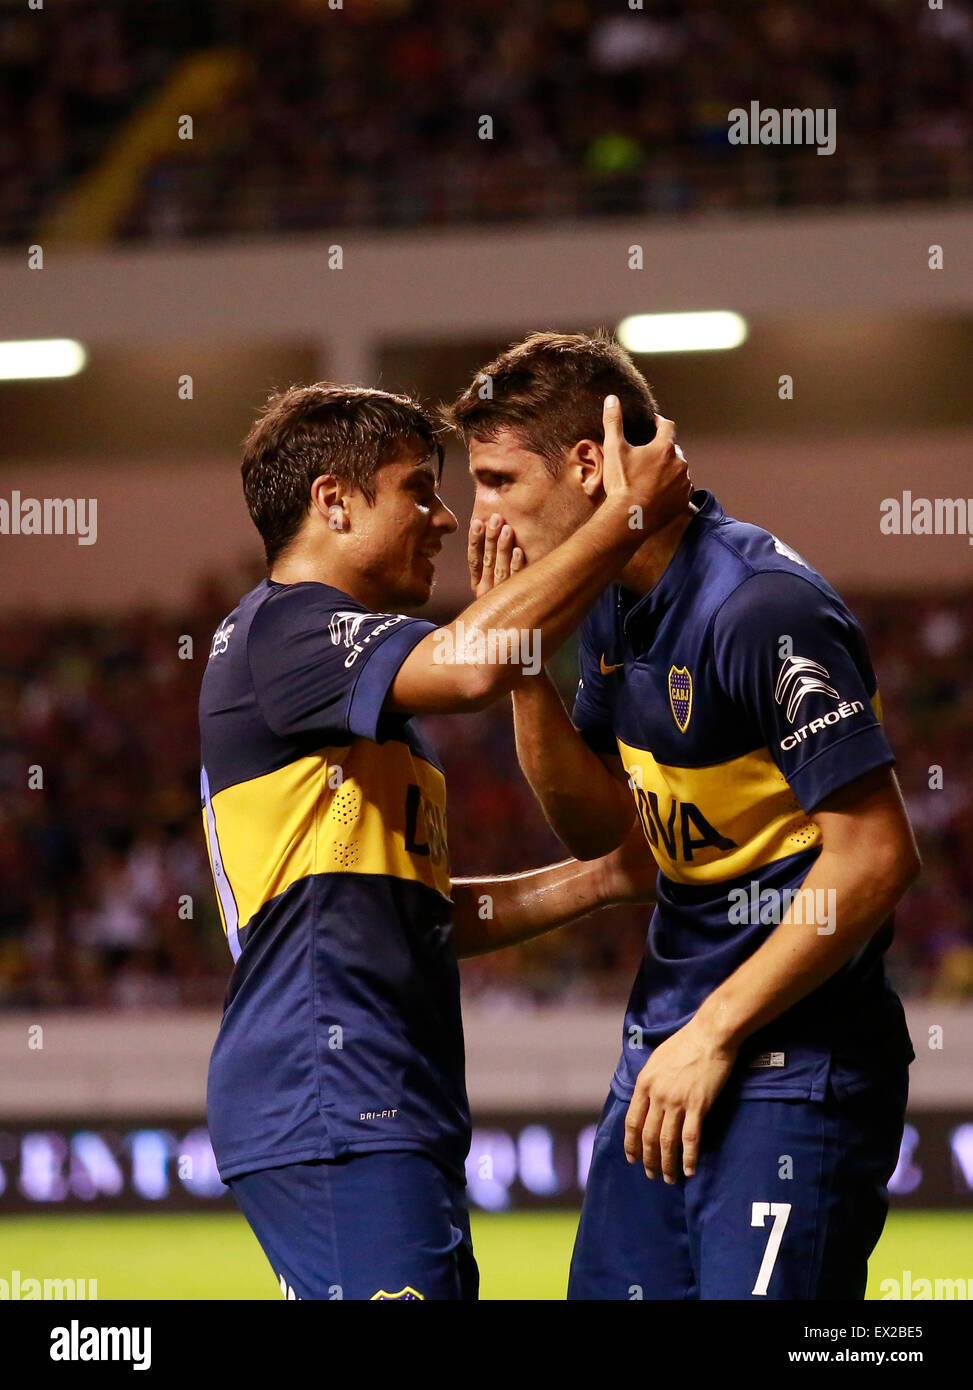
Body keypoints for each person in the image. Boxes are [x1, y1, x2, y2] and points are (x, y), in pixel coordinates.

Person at [444, 330, 920, 1300]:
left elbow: (873, 856)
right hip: (663, 1052)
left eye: (496, 479)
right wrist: (527, 670)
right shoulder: (615, 604)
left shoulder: (757, 605)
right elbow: (599, 834)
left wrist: (712, 1032)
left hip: (788, 1063)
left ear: (590, 465)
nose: (476, 514)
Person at [198, 380, 688, 1300]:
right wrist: (621, 519)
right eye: (418, 489)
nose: (444, 514)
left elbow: (421, 918)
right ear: (332, 503)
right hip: (331, 1094)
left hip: (377, 1100)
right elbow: (469, 668)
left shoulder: (350, 704)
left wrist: (596, 880)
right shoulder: (285, 631)